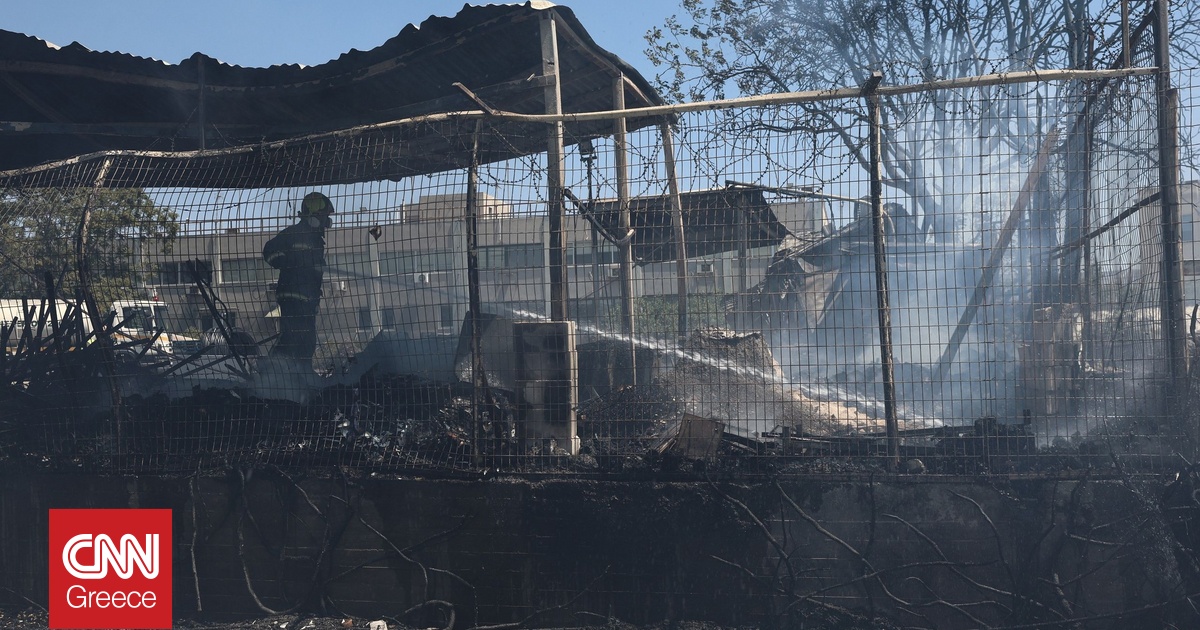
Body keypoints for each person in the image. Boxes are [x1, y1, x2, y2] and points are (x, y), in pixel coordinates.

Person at [263, 192, 334, 364]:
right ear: (314, 215)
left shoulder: (316, 240)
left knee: (303, 342)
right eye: (324, 215)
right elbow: (269, 252)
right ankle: (274, 371)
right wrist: (290, 261)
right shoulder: (293, 233)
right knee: (296, 339)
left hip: (307, 299)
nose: (327, 221)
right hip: (293, 296)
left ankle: (294, 375)